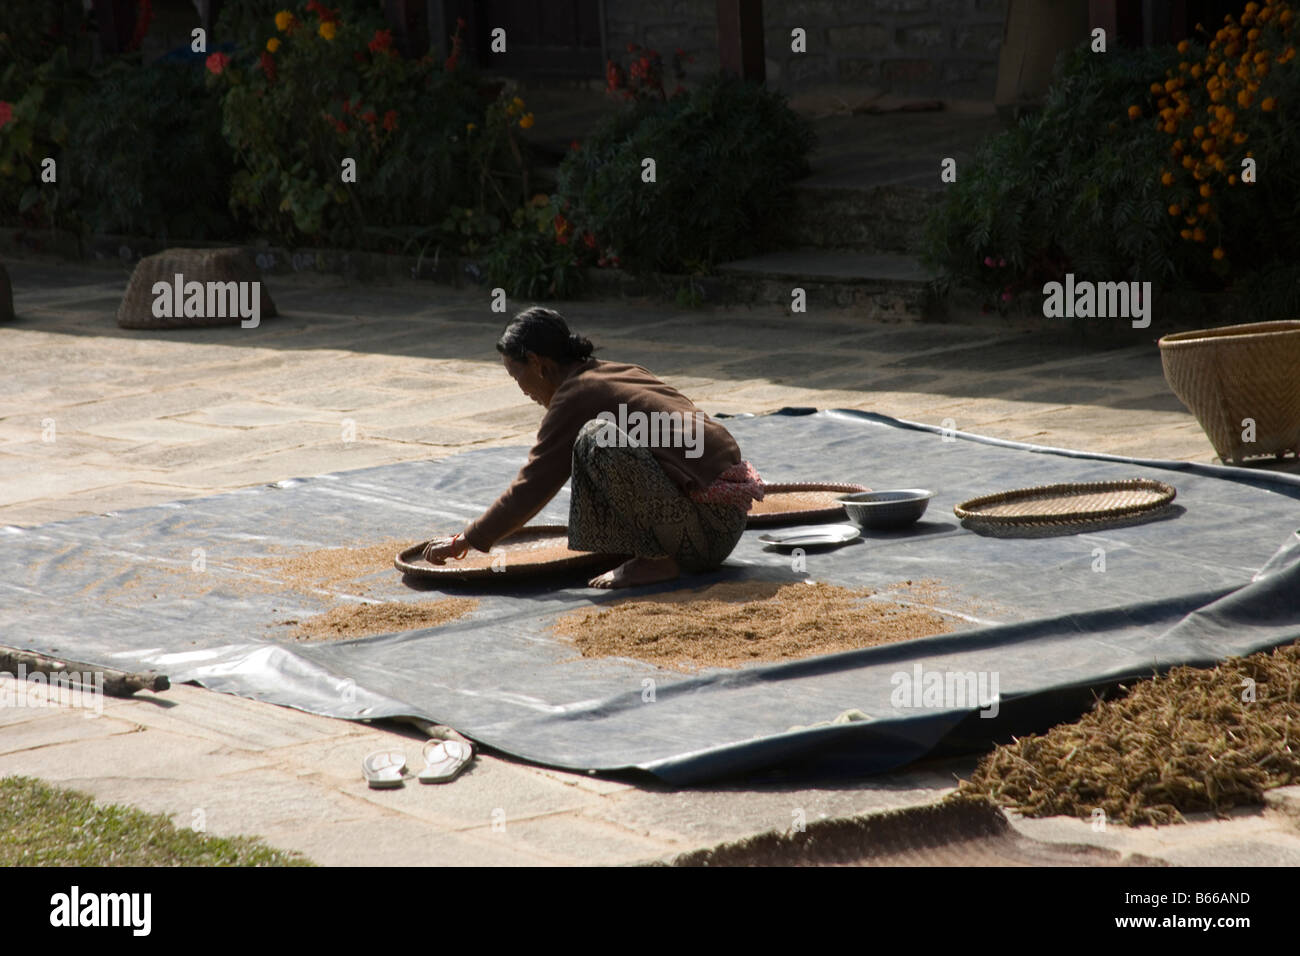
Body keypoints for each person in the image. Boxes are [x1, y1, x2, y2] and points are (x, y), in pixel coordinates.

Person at [422, 307, 764, 587]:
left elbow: (533, 485)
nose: (522, 390)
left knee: (595, 440)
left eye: (518, 377)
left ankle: (656, 560)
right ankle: (654, 548)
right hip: (728, 522)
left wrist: (467, 540)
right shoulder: (615, 371)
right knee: (603, 438)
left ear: (540, 365)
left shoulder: (576, 396)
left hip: (705, 536)